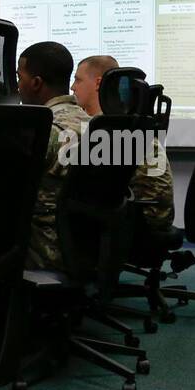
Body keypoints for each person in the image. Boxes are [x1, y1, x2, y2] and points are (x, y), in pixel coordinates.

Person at [73, 53, 175, 231]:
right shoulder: (128, 122)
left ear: (98, 83)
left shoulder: (109, 128)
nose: (73, 87)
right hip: (150, 213)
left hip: (141, 220)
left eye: (78, 80)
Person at [17, 41, 91, 270]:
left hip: (44, 252)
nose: (17, 86)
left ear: (36, 83)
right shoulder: (96, 126)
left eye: (20, 77)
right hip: (90, 248)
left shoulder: (44, 133)